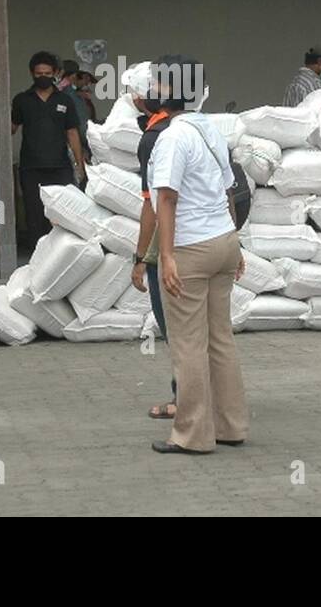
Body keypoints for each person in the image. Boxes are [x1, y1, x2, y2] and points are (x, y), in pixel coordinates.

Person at [146, 55, 247, 455]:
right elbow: (229, 191)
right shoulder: (210, 129)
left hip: (190, 247)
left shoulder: (172, 137)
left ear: (171, 89)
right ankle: (231, 426)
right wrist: (236, 245)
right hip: (222, 241)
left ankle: (192, 435)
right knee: (220, 339)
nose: (153, 89)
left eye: (158, 83)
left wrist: (166, 256)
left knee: (188, 344)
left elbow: (166, 198)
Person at [126, 61, 178, 422]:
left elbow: (153, 204)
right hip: (210, 240)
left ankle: (184, 399)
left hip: (170, 246)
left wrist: (141, 257)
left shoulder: (154, 138)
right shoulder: (194, 128)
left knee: (175, 328)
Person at [12, 51, 85, 251]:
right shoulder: (21, 100)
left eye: (47, 72)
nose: (42, 76)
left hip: (60, 166)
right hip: (31, 167)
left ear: (55, 73)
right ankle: (37, 256)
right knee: (34, 214)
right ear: (32, 74)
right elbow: (10, 129)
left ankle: (60, 253)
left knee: (62, 214)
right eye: (38, 73)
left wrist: (80, 165)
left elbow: (72, 133)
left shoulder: (65, 100)